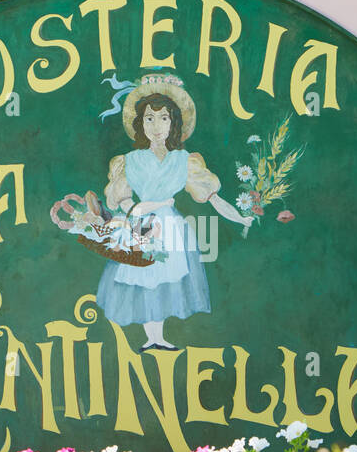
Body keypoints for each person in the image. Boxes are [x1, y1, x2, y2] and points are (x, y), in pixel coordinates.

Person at [96, 74, 254, 350]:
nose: (157, 126)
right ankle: (150, 337)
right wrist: (136, 220)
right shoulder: (129, 161)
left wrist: (240, 217)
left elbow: (213, 197)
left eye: (164, 118)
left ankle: (159, 337)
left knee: (166, 276)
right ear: (139, 123)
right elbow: (120, 199)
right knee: (144, 276)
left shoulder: (184, 161)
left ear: (174, 123)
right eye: (149, 119)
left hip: (171, 229)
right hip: (141, 223)